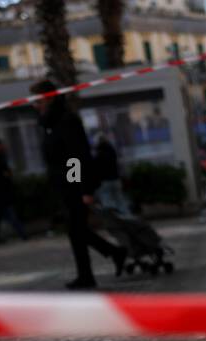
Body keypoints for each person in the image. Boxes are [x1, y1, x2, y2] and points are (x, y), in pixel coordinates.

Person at [30, 79, 125, 289]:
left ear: (49, 98)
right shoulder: (51, 124)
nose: (35, 106)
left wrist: (81, 189)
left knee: (76, 230)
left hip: (73, 186)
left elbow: (76, 157)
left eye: (38, 101)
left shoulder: (66, 121)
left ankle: (97, 266)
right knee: (76, 231)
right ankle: (107, 258)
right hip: (65, 186)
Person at [93, 135, 126, 214]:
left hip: (104, 181)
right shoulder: (112, 151)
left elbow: (95, 168)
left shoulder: (98, 154)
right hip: (116, 179)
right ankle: (125, 218)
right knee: (120, 200)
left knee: (107, 202)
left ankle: (114, 219)